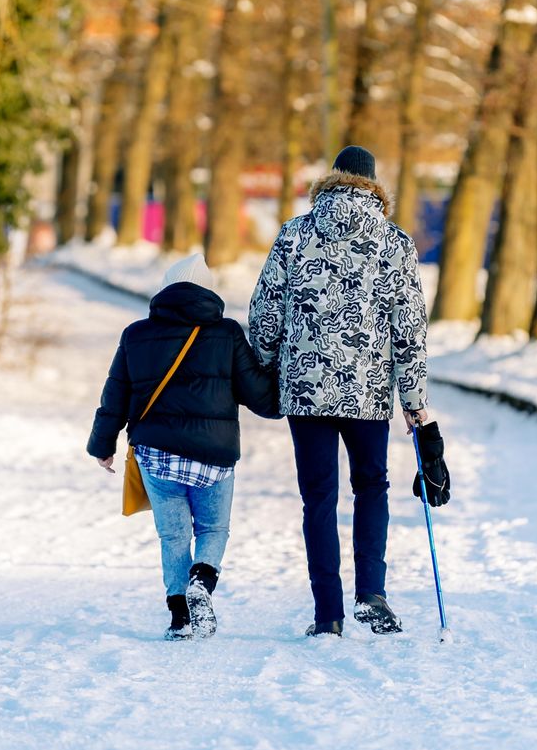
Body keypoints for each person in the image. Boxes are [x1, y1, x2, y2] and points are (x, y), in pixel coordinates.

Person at [248, 145, 450, 637]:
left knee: (318, 497)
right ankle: (372, 595)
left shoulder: (294, 234)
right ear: (374, 184)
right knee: (371, 487)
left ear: (330, 180)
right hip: (368, 391)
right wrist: (416, 406)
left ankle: (328, 615)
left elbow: (264, 316)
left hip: (306, 390)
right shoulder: (393, 242)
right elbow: (410, 331)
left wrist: (270, 365)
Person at [88, 253, 281, 640]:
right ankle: (202, 581)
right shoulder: (226, 333)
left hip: (157, 455)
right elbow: (261, 398)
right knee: (213, 528)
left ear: (165, 289)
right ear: (207, 291)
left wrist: (102, 444)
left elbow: (116, 395)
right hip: (214, 456)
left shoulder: (136, 334)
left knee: (173, 536)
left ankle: (180, 618)